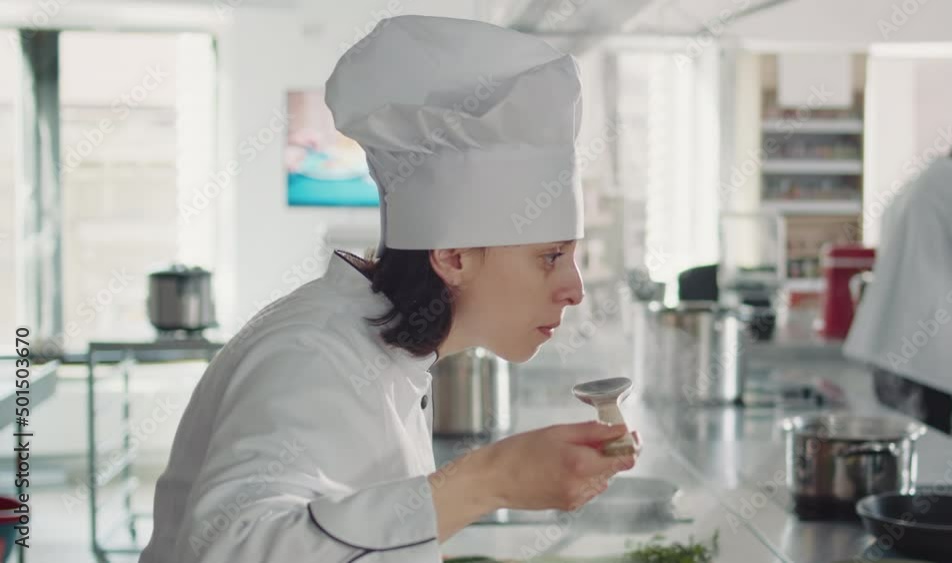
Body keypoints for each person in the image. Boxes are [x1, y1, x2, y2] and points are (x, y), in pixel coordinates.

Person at [138, 15, 639, 563]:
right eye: (550, 257)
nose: (575, 290)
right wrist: (490, 479)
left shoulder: (392, 355)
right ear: (453, 256)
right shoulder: (311, 355)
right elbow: (232, 547)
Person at [844, 98, 952, 442]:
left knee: (904, 446)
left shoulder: (931, 176)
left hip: (904, 351)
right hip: (923, 356)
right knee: (926, 449)